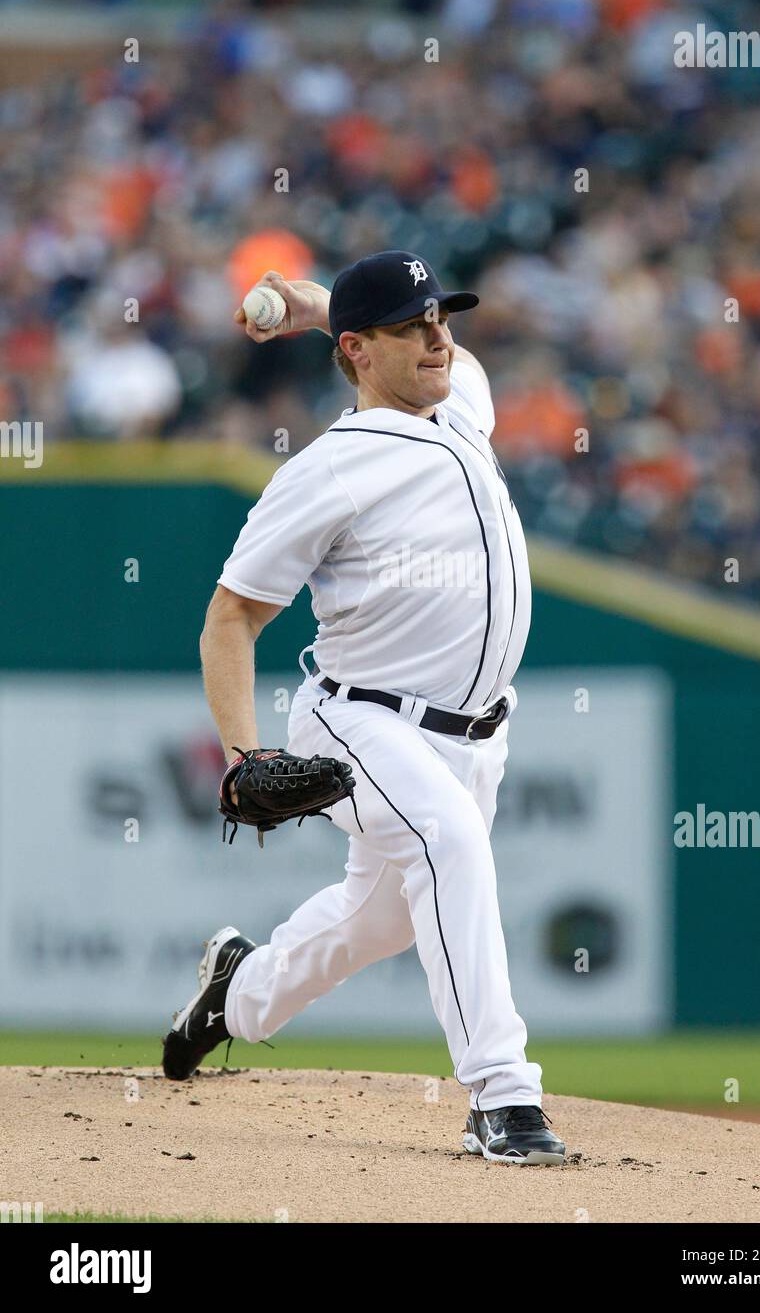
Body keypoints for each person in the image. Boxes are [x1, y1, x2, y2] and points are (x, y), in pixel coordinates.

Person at [162, 251, 566, 1165]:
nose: (438, 337)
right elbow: (229, 619)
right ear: (359, 351)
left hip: (474, 739)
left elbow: (452, 362)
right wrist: (242, 755)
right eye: (411, 326)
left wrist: (314, 304)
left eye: (441, 318)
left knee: (377, 919)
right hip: (360, 720)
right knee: (450, 844)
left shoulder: (459, 404)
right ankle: (504, 1098)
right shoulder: (326, 470)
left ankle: (236, 995)